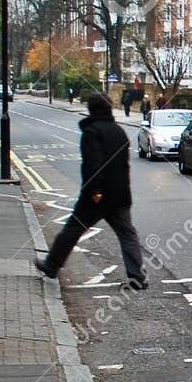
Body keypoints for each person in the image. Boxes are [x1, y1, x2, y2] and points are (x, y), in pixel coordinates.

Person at [36, 93, 147, 289]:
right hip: (120, 195)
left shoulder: (92, 132)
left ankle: (51, 267)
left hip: (97, 197)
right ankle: (137, 276)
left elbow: (92, 164)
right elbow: (123, 166)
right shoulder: (118, 131)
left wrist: (94, 191)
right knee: (127, 234)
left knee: (72, 230)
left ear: (91, 109)